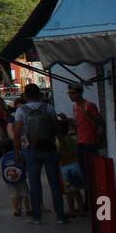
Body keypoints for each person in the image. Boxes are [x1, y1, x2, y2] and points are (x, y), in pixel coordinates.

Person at [11, 83, 66, 225]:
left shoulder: (21, 111)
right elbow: (57, 129)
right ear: (39, 94)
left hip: (31, 151)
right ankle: (60, 216)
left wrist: (17, 153)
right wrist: (63, 147)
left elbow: (16, 134)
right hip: (50, 148)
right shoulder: (48, 108)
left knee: (34, 184)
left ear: (25, 95)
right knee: (54, 183)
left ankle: (37, 217)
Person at [68, 83, 104, 215]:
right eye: (69, 94)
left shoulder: (89, 105)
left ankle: (91, 203)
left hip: (90, 143)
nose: (70, 96)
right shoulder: (75, 107)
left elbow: (100, 122)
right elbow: (79, 124)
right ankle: (87, 203)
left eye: (72, 93)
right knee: (84, 175)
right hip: (80, 142)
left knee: (91, 175)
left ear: (79, 93)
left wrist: (88, 114)